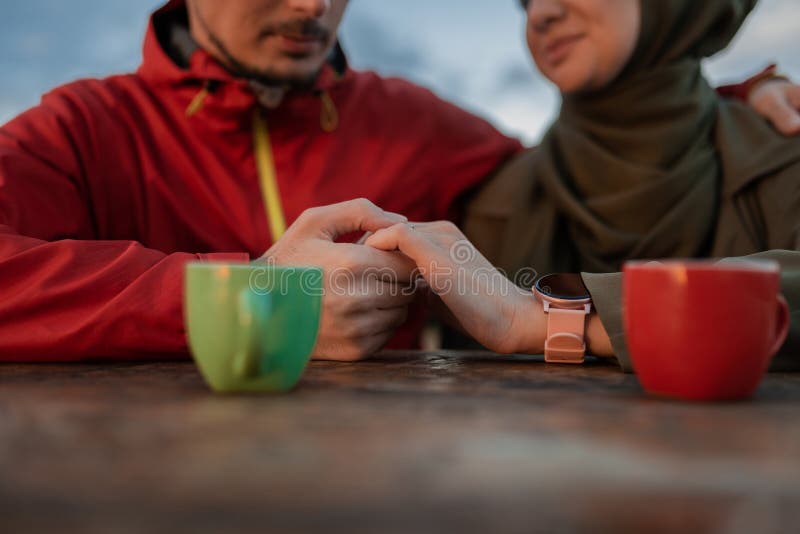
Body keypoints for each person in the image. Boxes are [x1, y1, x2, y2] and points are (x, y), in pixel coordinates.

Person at [0, 0, 795, 363]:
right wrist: (245, 299)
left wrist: (728, 103)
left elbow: (582, 159)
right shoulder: (89, 125)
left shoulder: (412, 119)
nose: (313, 7)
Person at [366, 0, 800, 371]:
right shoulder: (494, 202)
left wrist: (546, 323)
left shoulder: (784, 158)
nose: (540, 14)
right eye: (526, 0)